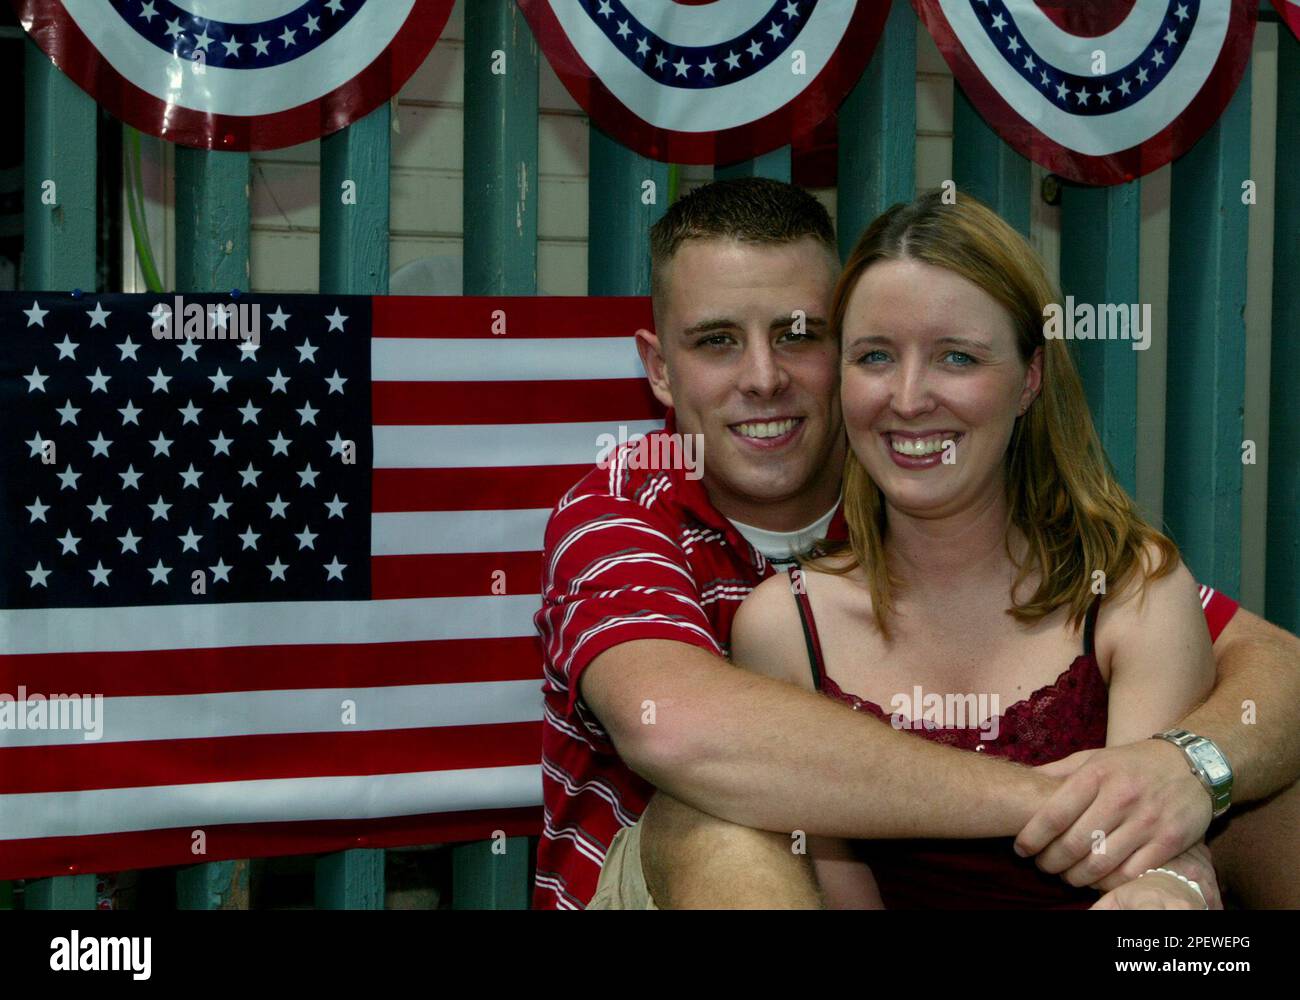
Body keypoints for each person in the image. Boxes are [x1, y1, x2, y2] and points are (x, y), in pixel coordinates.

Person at [533, 178, 1300, 910]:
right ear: (660, 370)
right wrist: (1067, 797)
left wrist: (1183, 778)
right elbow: (674, 728)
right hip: (667, 880)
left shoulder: (910, 478)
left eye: (799, 337)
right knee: (720, 820)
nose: (763, 379)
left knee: (1262, 785)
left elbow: (1269, 664)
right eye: (717, 342)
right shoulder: (619, 513)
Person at [730, 190, 1212, 907]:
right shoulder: (782, 628)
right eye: (874, 357)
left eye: (957, 357)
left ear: (1030, 380)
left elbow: (1149, 870)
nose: (909, 397)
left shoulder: (1133, 591)